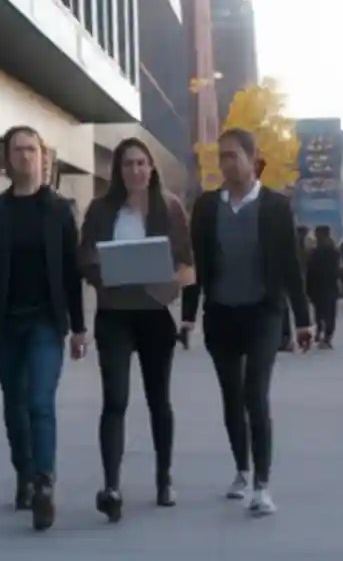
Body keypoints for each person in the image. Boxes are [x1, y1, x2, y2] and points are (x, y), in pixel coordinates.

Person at [181, 128, 311, 518]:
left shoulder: (274, 206)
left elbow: (290, 265)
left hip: (263, 313)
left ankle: (262, 485)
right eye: (221, 156)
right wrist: (188, 315)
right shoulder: (206, 207)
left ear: (253, 160)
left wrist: (303, 321)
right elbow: (197, 265)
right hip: (221, 313)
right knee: (232, 397)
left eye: (233, 155)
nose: (226, 163)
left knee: (255, 392)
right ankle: (241, 468)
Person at [0, 125, 86, 532]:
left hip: (46, 322)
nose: (25, 156)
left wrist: (79, 328)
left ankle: (44, 483)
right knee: (14, 405)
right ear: (6, 158)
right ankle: (25, 472)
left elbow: (72, 272)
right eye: (17, 150)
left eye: (32, 149)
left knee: (39, 401)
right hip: (4, 323)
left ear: (44, 157)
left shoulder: (59, 210)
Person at [78, 138, 193, 522]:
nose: (136, 171)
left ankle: (164, 478)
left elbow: (188, 265)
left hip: (155, 314)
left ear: (152, 168)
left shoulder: (171, 207)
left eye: (142, 163)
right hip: (114, 314)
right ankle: (111, 485)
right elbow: (85, 259)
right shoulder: (101, 209)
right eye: (128, 164)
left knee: (158, 399)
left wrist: (168, 282)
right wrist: (105, 271)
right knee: (115, 400)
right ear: (118, 171)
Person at [306, 226, 342, 349]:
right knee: (329, 312)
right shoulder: (334, 251)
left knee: (320, 311)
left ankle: (321, 332)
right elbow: (339, 270)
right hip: (330, 285)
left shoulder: (315, 252)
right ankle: (327, 335)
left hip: (319, 285)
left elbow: (310, 270)